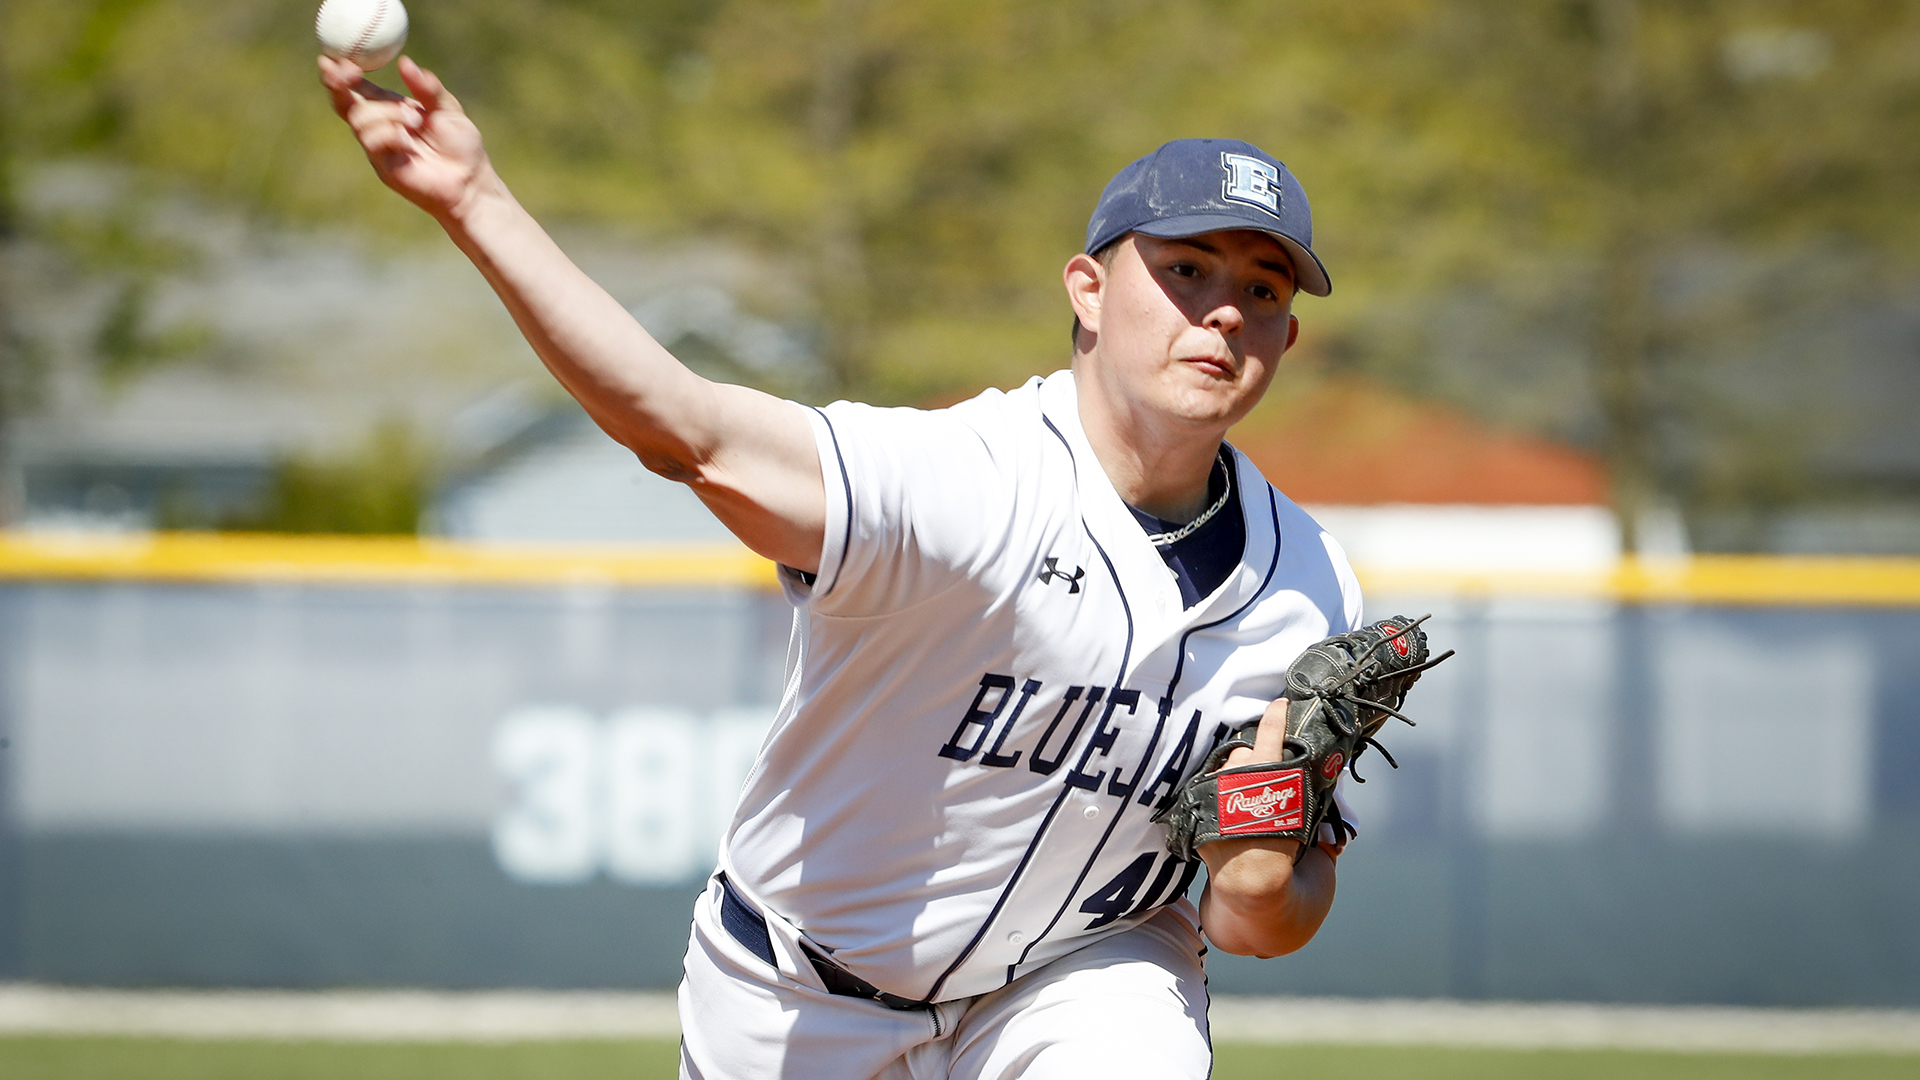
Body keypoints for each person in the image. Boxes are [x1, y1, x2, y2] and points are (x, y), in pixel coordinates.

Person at [323, 53, 1362, 1080]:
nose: (1226, 310)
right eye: (1187, 269)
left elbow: (1263, 923)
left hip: (1081, 976)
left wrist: (1263, 882)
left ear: (1288, 334)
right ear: (1088, 291)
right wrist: (476, 201)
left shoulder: (1310, 589)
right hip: (801, 988)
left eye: (1261, 287)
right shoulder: (962, 478)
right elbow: (688, 433)